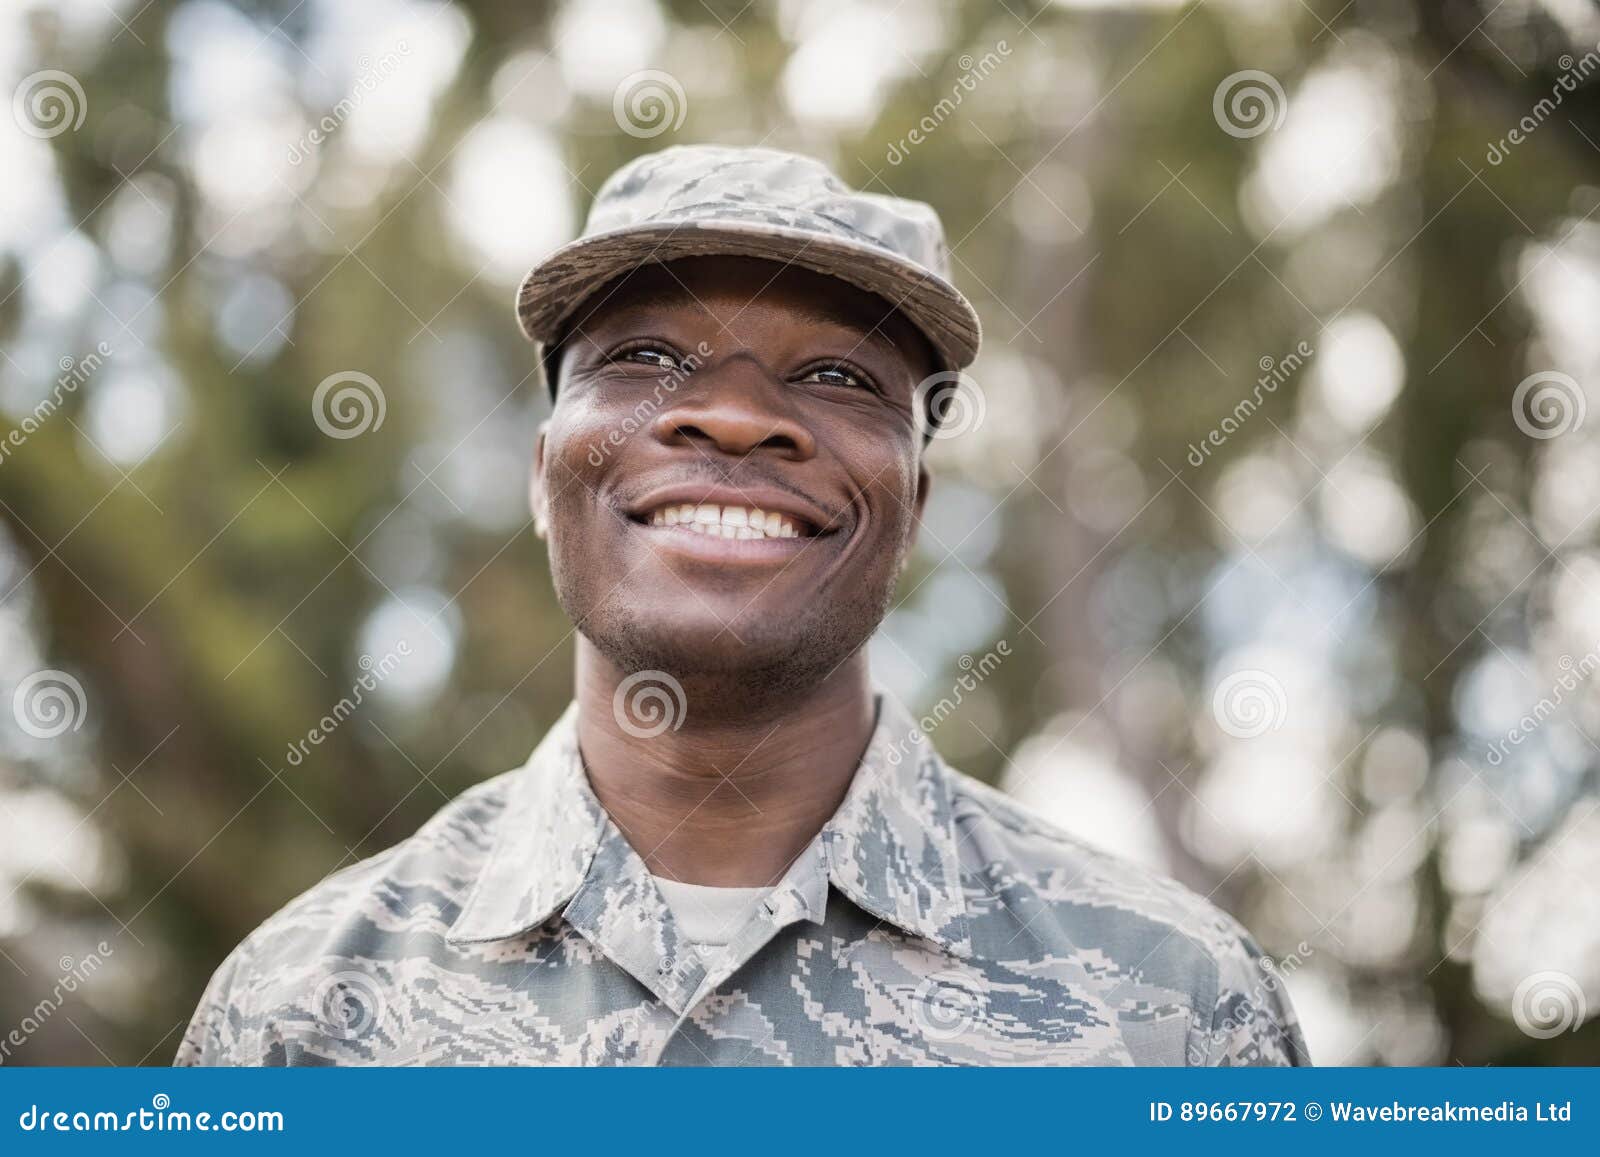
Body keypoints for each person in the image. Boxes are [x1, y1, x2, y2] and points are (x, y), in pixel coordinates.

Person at [176, 145, 1307, 1066]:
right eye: (647, 356)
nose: (729, 416)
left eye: (836, 376)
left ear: (911, 498)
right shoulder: (300, 1017)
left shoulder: (1173, 1012)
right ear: (542, 473)